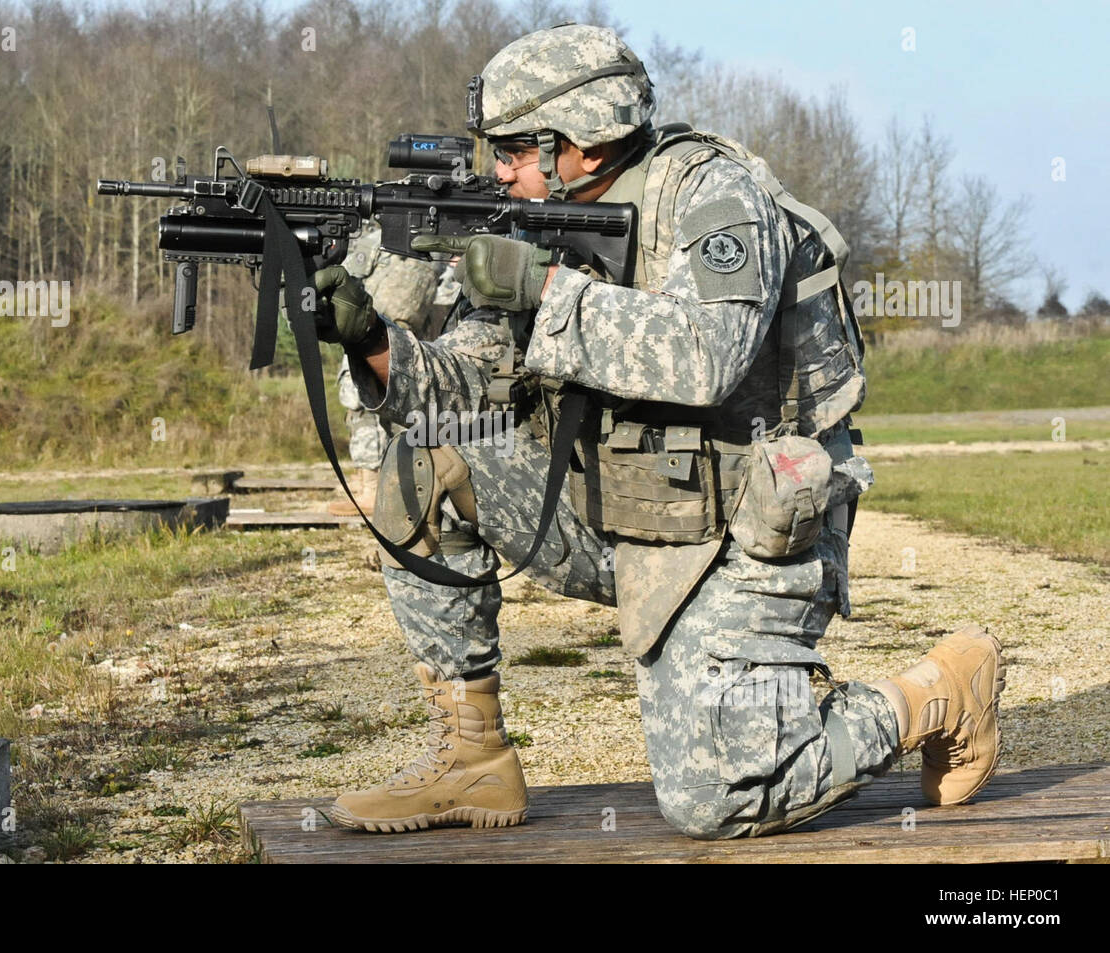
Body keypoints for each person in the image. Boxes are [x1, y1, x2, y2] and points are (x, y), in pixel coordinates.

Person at [310, 23, 1005, 838]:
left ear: (583, 143)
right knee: (421, 458)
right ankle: (472, 759)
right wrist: (371, 340)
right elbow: (465, 389)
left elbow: (705, 356)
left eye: (512, 150)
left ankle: (934, 692)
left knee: (717, 798)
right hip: (626, 503)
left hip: (745, 529)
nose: (496, 169)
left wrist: (542, 289)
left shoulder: (716, 197)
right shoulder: (538, 217)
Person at [326, 223, 458, 517]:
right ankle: (383, 486)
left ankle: (373, 489)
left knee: (363, 404)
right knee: (395, 408)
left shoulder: (380, 241)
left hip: (375, 329)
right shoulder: (429, 245)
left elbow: (349, 278)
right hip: (405, 334)